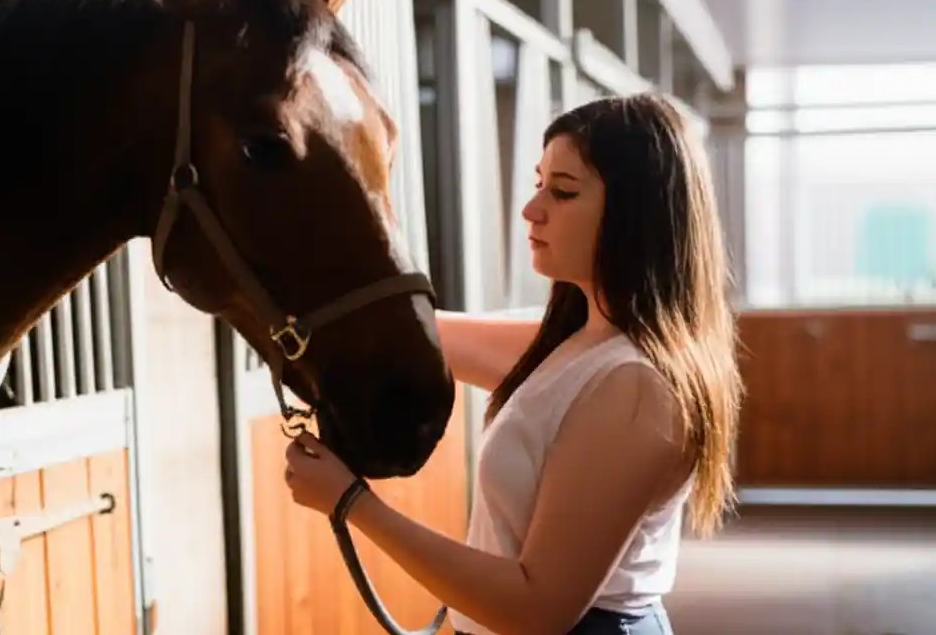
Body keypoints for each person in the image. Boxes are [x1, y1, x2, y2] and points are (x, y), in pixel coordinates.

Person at [284, 93, 743, 635]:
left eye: (564, 191)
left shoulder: (637, 388)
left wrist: (351, 503)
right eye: (538, 183)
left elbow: (537, 608)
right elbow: (406, 332)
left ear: (637, 216)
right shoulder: (573, 343)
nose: (532, 210)